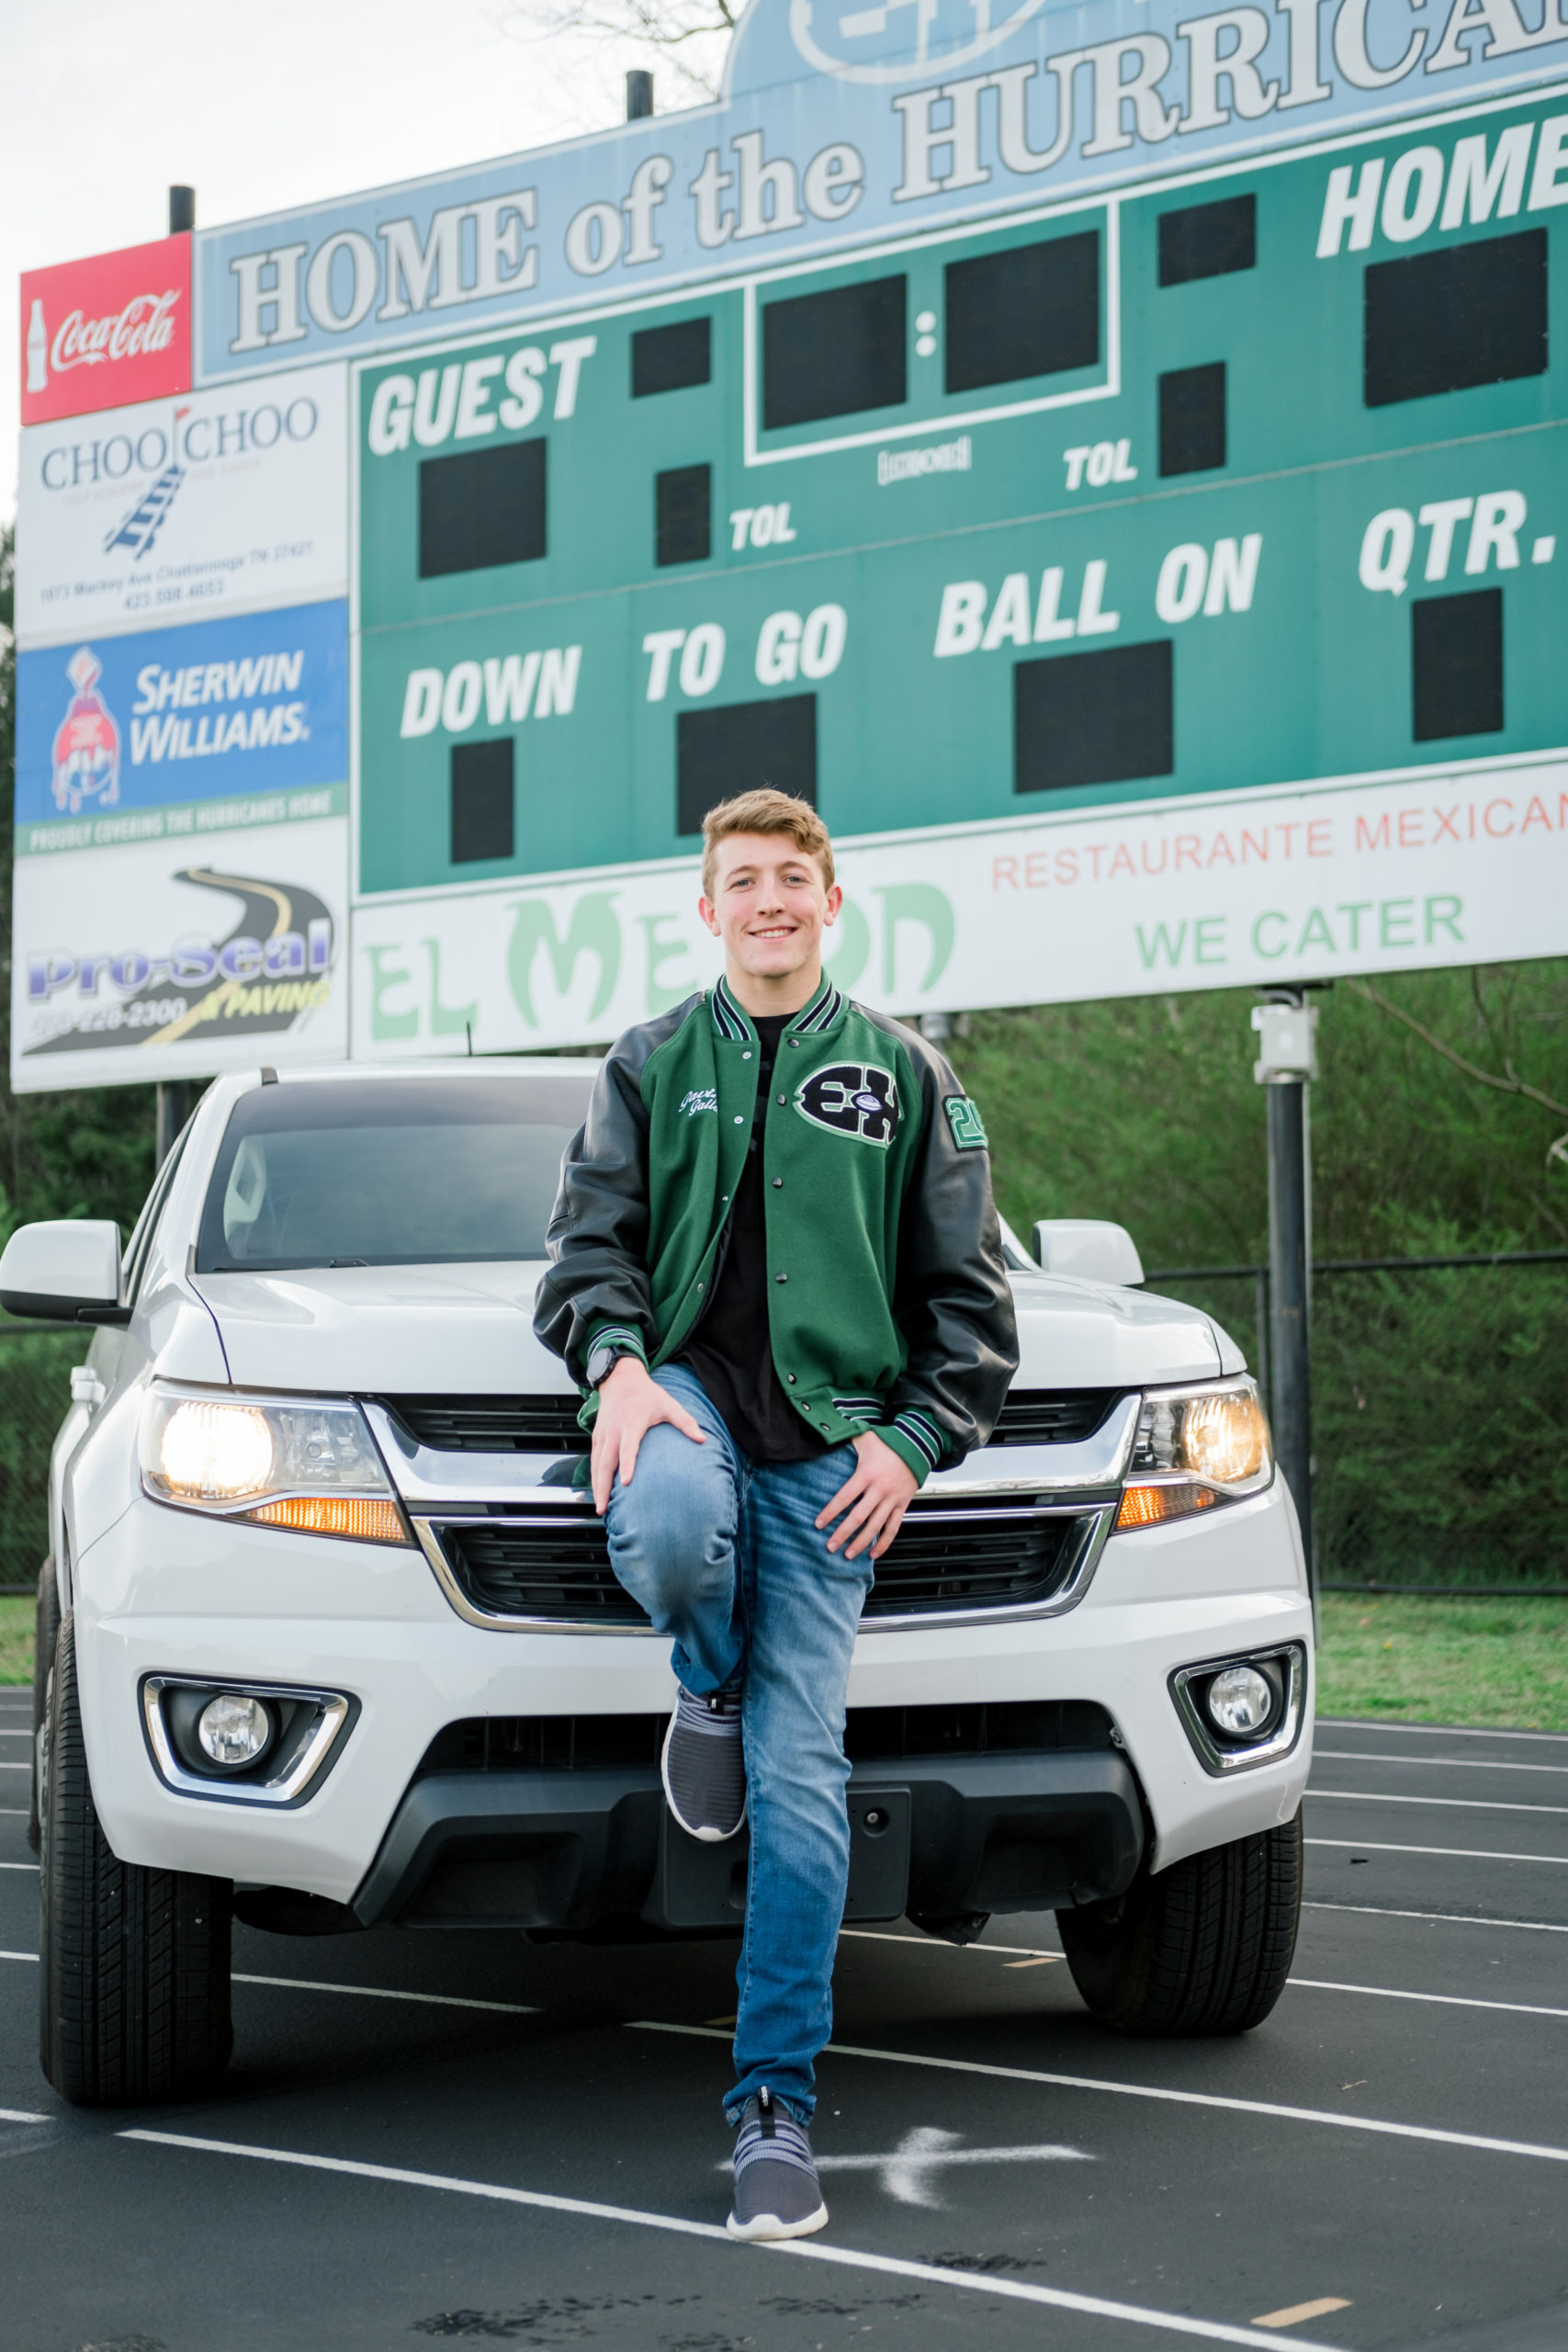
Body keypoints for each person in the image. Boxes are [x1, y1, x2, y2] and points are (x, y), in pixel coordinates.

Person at [534, 789, 1018, 2240]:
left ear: (831, 899)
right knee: (672, 1526)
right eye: (740, 881)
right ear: (708, 908)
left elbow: (974, 1308)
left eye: (791, 879)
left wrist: (918, 1445)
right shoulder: (645, 1063)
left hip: (829, 1462)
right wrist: (615, 1374)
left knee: (804, 1784)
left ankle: (773, 2108)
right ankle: (705, 1679)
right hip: (683, 1408)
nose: (767, 902)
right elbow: (584, 1255)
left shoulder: (907, 1074)